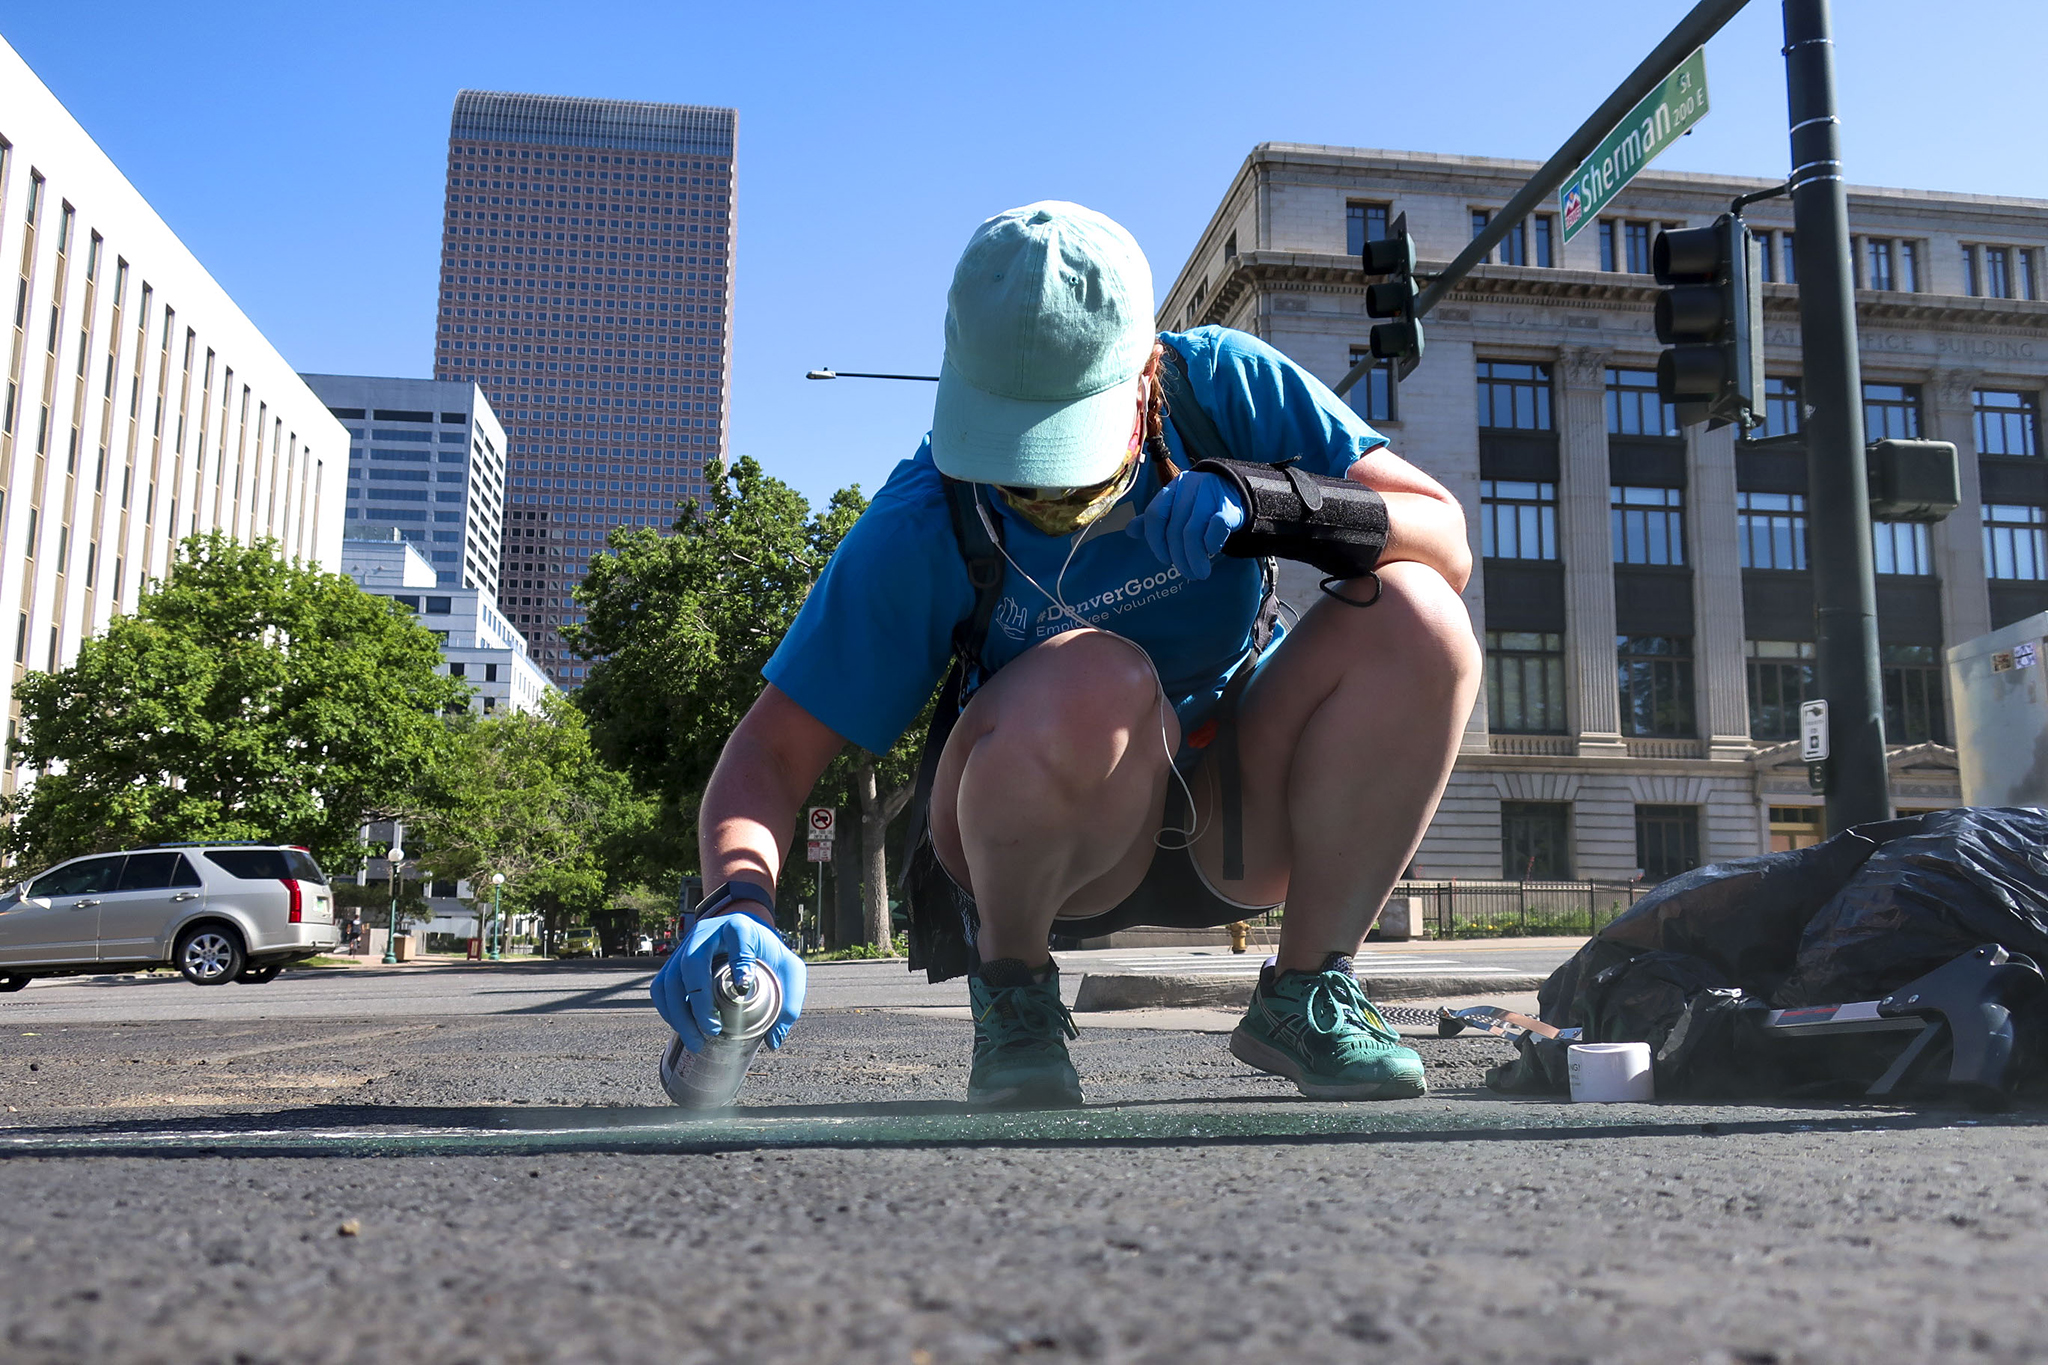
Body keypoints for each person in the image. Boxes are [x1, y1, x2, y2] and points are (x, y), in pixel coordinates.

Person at [652, 201, 1478, 1107]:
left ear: (1147, 374)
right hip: (1049, 846)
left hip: (1242, 815)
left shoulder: (1225, 388)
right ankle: (1015, 996)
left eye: (1069, 446)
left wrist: (1278, 500)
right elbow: (770, 753)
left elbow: (1445, 539)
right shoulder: (927, 517)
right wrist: (738, 896)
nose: (1043, 484)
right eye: (1014, 451)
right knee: (1099, 672)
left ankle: (1310, 990)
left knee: (1421, 613)